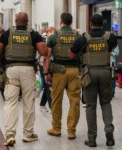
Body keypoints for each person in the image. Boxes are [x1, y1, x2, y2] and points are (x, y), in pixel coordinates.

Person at [0, 12, 48, 146]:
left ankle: (9, 134)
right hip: (28, 71)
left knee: (10, 102)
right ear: (27, 21)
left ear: (15, 21)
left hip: (11, 70)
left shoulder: (7, 33)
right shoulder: (33, 34)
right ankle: (28, 134)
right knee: (28, 102)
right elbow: (44, 52)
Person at [68, 14, 118, 147]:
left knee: (90, 106)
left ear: (90, 24)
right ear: (103, 24)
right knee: (106, 103)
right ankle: (108, 129)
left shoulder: (84, 38)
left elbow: (71, 54)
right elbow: (113, 48)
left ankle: (92, 138)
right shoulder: (110, 37)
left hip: (89, 73)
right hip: (106, 72)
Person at [45, 12, 81, 140]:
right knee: (75, 101)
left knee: (56, 100)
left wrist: (46, 73)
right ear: (71, 22)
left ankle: (56, 128)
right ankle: (71, 131)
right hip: (74, 71)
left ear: (61, 22)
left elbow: (47, 57)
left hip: (58, 72)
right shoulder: (78, 36)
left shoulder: (54, 37)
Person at [39, 27, 56, 112]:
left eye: (53, 32)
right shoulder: (46, 39)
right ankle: (51, 107)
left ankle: (42, 104)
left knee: (47, 86)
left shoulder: (51, 40)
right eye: (51, 32)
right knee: (49, 86)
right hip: (44, 65)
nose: (52, 33)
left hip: (47, 64)